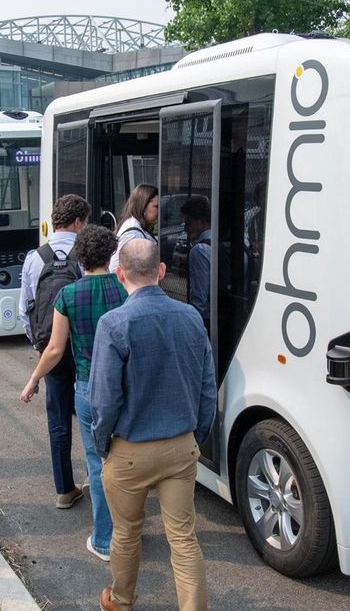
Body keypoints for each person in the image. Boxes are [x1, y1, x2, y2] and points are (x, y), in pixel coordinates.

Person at [89, 238, 216, 611]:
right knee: (184, 539)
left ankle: (122, 601)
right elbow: (207, 388)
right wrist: (197, 436)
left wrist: (103, 446)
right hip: (180, 446)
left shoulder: (113, 324)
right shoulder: (191, 316)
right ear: (161, 272)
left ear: (119, 275)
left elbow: (104, 399)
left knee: (126, 535)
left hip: (129, 450)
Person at [19, 224, 126, 563]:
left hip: (87, 387)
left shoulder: (68, 296)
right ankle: (129, 531)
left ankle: (106, 540)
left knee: (97, 464)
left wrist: (34, 379)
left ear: (81, 255)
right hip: (124, 387)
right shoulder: (125, 291)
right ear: (111, 254)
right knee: (126, 462)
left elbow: (53, 350)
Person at [18, 194, 90, 510]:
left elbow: (25, 308)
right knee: (93, 413)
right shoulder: (87, 254)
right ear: (77, 222)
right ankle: (96, 477)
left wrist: (39, 346)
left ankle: (64, 489)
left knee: (58, 417)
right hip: (84, 347)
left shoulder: (35, 257)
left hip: (51, 349)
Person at [108, 184, 159, 272]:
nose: (159, 211)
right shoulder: (133, 235)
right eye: (156, 207)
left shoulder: (133, 225)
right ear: (143, 207)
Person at [180, 194, 212, 323]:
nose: (185, 229)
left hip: (207, 319)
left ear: (201, 221)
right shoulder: (218, 242)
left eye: (189, 223)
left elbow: (199, 300)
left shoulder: (200, 251)